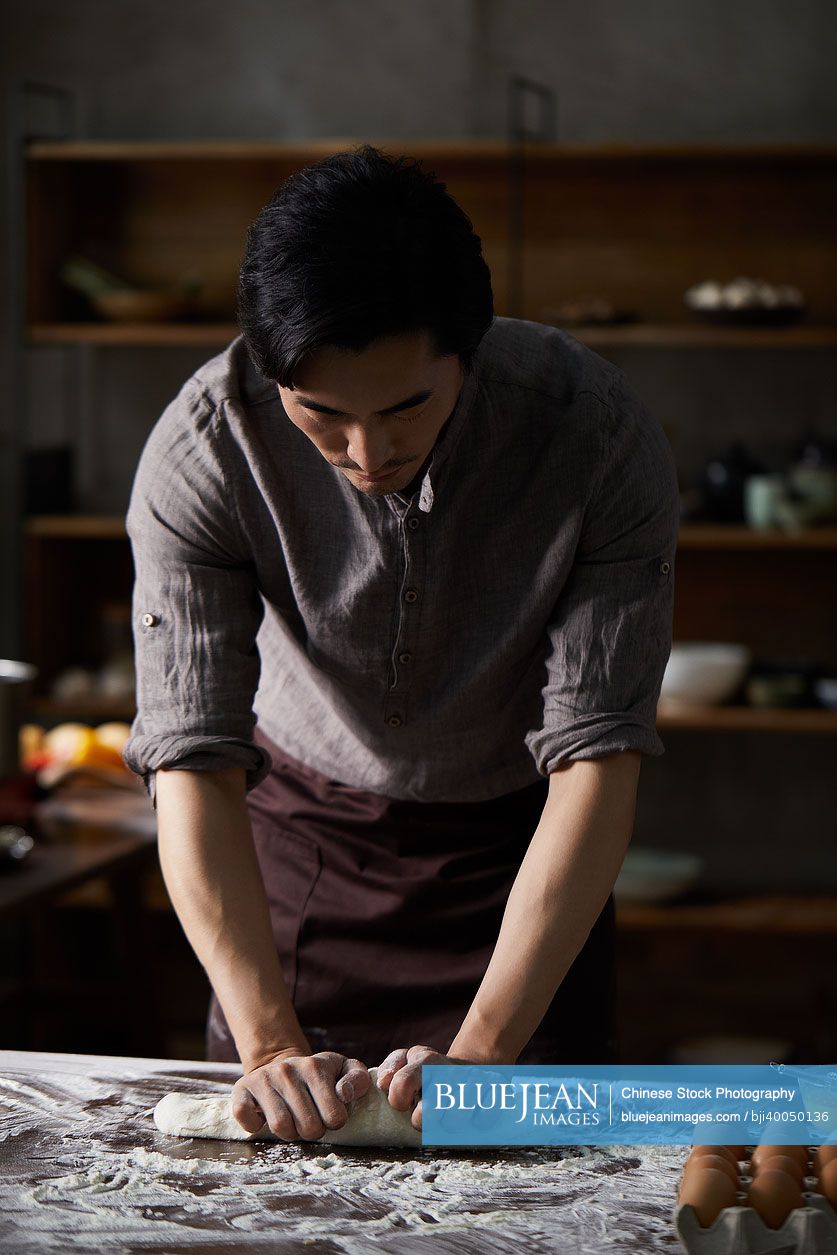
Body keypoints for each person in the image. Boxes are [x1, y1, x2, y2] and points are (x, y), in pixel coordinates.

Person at [123, 145, 679, 1142]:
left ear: (468, 349)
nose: (368, 454)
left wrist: (484, 1055)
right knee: (281, 1175)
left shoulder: (593, 436)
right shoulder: (206, 445)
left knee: (535, 1195)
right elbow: (190, 756)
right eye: (322, 415)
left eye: (406, 408)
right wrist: (266, 1043)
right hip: (302, 851)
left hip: (525, 858)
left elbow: (599, 755)